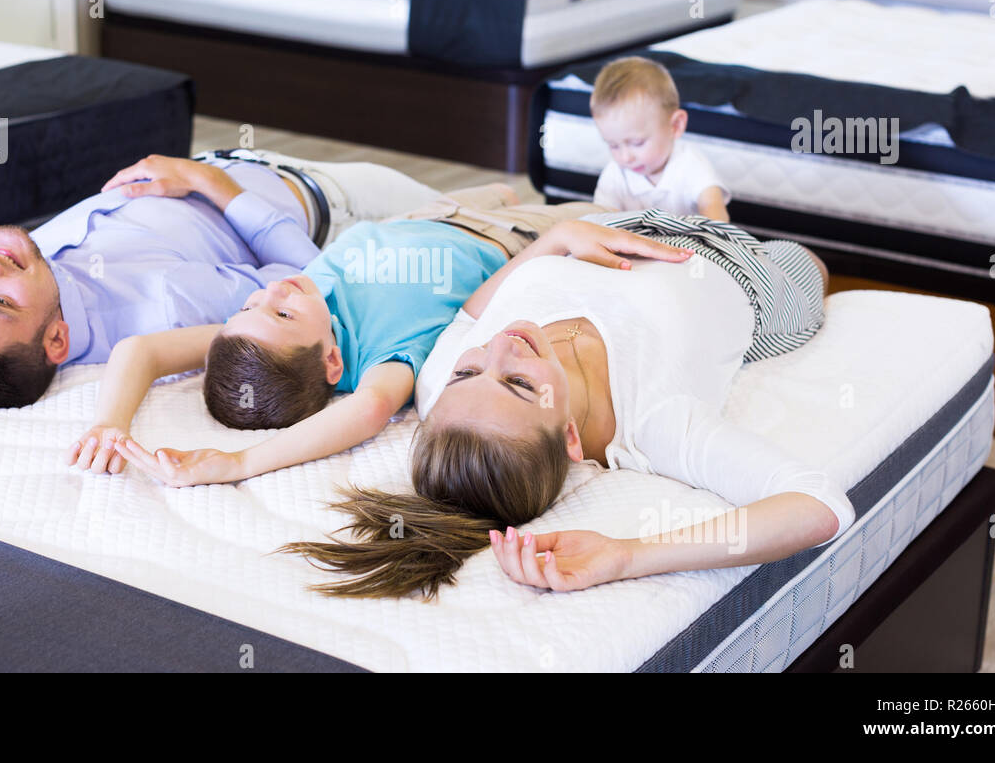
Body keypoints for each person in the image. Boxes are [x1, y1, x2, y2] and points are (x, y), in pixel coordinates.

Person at [282, 208, 853, 599]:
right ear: (572, 440)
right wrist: (627, 555)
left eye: (471, 371)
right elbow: (820, 505)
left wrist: (553, 241)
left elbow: (471, 316)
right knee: (813, 260)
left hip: (614, 226)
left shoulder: (438, 390)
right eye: (521, 385)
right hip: (750, 276)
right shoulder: (657, 421)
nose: (500, 349)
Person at [68, 190, 693, 481]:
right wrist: (237, 463)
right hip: (512, 238)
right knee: (637, 213)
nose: (277, 292)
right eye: (279, 313)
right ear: (333, 360)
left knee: (514, 183)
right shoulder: (386, 362)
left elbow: (141, 350)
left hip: (430, 212)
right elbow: (369, 411)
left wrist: (109, 424)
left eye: (255, 302)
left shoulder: (268, 322)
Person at [0, 149, 440, 409]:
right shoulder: (163, 312)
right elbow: (301, 280)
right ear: (55, 342)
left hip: (219, 163)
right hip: (317, 194)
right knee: (475, 217)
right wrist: (208, 182)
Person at [590, 57, 730, 221]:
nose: (625, 157)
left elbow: (713, 209)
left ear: (675, 126)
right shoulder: (615, 174)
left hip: (690, 244)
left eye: (637, 143)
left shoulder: (690, 164)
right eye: (613, 145)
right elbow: (603, 221)